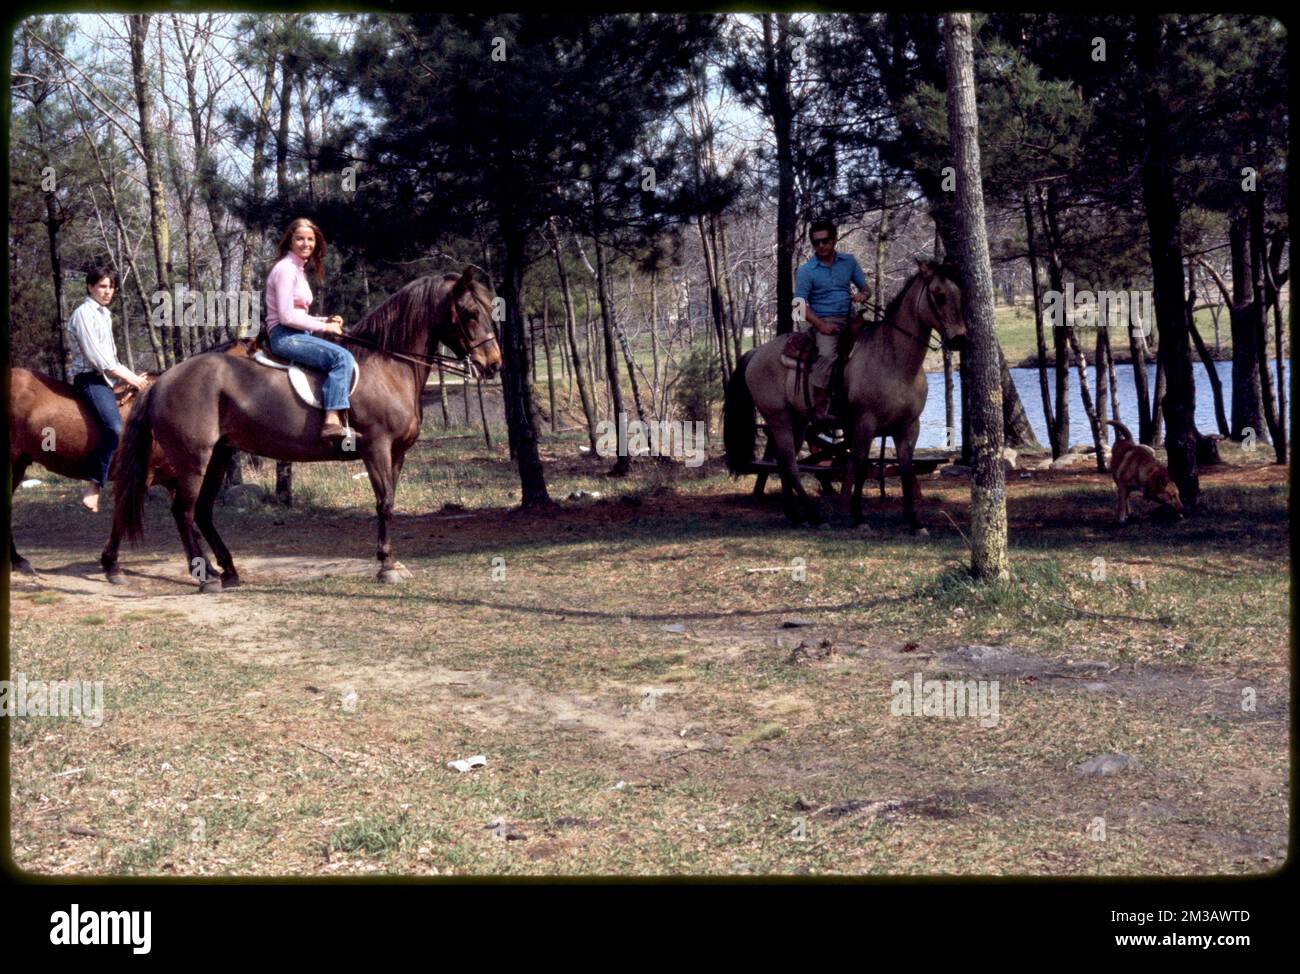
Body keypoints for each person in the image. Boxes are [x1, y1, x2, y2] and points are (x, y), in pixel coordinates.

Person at [264, 217, 360, 442]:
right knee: (342, 358)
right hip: (285, 336)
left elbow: (299, 314)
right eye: (300, 239)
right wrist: (325, 326)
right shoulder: (286, 270)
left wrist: (326, 319)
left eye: (310, 239)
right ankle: (332, 420)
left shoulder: (298, 270)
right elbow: (287, 317)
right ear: (290, 242)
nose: (306, 243)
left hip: (296, 333)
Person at [66, 266, 148, 512]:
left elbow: (112, 357)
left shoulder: (105, 315)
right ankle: (94, 486)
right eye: (102, 286)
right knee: (114, 428)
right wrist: (131, 379)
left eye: (111, 287)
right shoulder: (83, 314)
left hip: (107, 379)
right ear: (90, 287)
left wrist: (133, 377)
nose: (107, 291)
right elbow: (99, 360)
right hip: (89, 379)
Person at [793, 218, 871, 424]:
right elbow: (798, 305)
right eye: (816, 242)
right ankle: (819, 404)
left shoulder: (849, 262)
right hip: (824, 320)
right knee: (828, 355)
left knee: (876, 347)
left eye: (825, 241)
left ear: (834, 240)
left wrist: (863, 295)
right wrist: (821, 326)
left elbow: (866, 289)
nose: (821, 246)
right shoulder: (806, 270)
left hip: (851, 318)